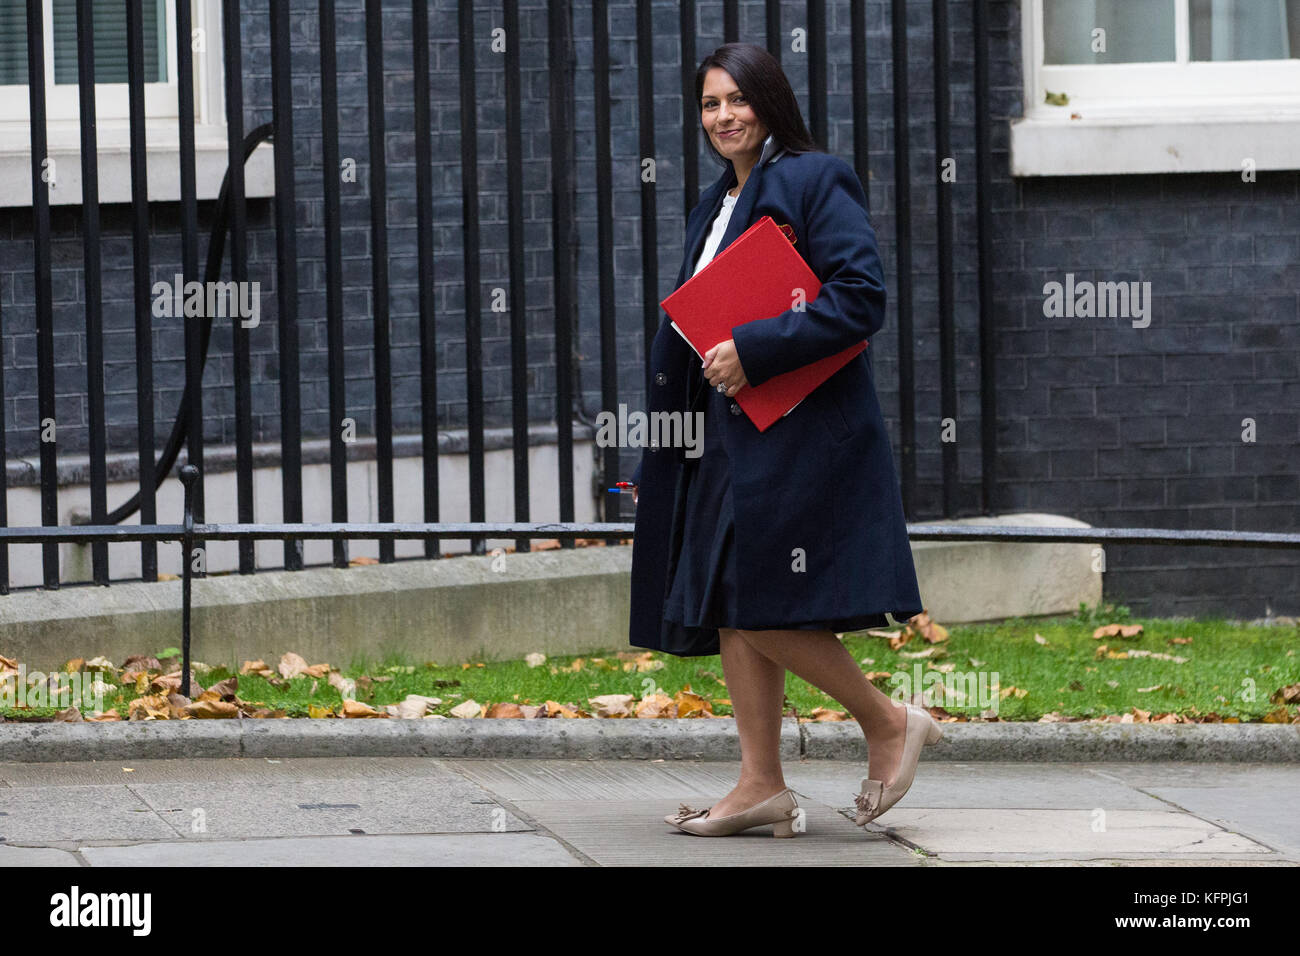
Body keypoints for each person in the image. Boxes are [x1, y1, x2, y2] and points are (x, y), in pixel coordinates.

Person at [625, 43, 939, 838]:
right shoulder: (713, 204)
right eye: (709, 105)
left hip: (799, 436)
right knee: (729, 600)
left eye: (737, 100)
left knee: (755, 598)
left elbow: (860, 296)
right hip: (725, 434)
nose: (723, 116)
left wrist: (757, 349)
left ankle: (889, 723)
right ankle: (761, 782)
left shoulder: (811, 177)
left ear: (769, 102)